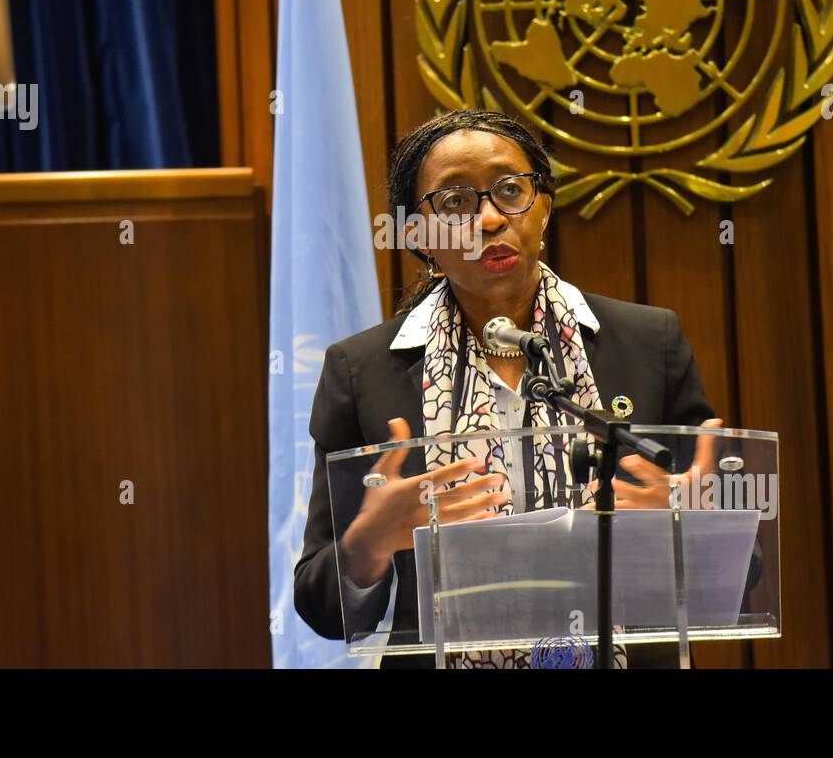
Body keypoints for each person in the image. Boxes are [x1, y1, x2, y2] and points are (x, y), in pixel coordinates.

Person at [294, 109, 725, 668]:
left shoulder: (648, 343)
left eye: (510, 190)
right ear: (416, 234)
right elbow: (320, 605)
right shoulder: (362, 371)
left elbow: (743, 569)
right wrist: (366, 549)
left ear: (543, 206)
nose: (491, 219)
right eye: (455, 203)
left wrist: (692, 529)